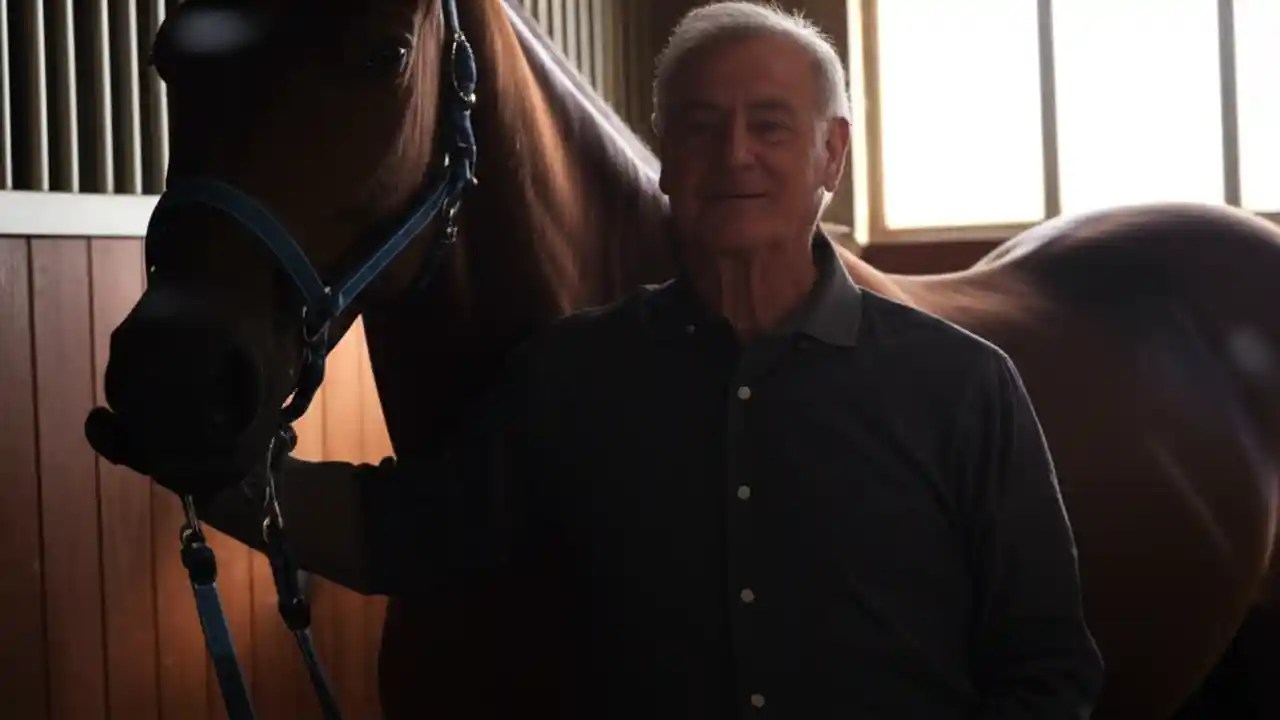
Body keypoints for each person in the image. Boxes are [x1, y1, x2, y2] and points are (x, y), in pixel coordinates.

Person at [187, 2, 1105, 717]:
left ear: (832, 154)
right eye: (700, 126)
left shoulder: (966, 387)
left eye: (772, 125)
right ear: (664, 157)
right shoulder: (569, 377)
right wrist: (219, 473)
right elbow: (411, 530)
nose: (733, 154)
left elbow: (1047, 663)